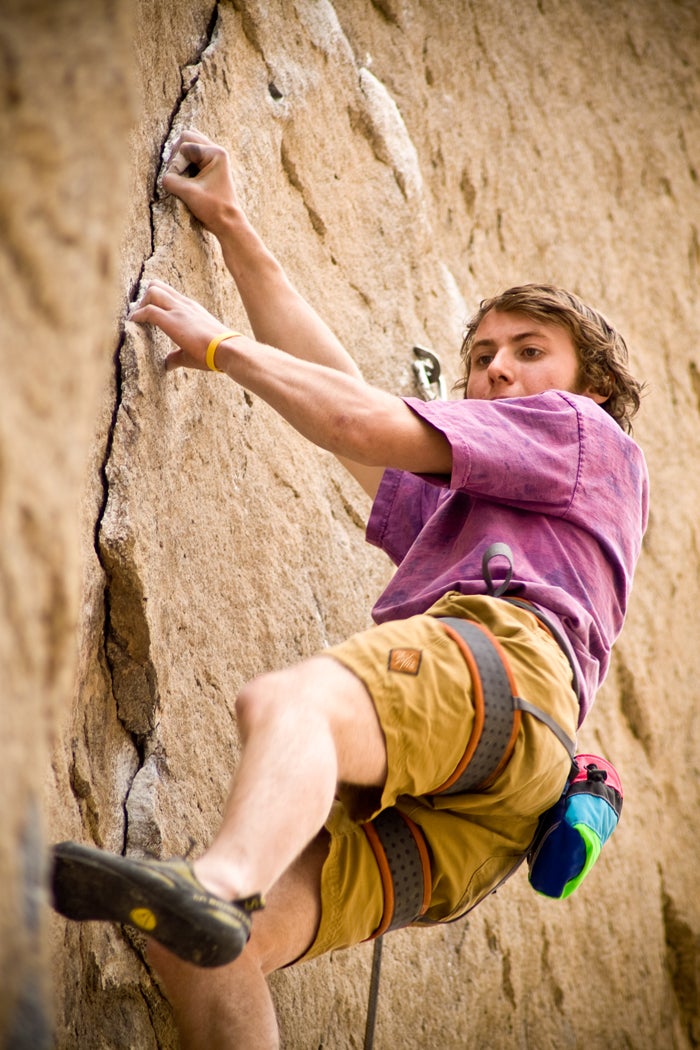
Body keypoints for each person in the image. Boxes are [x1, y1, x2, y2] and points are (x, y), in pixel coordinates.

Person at [51, 130, 648, 1049]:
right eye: (483, 354)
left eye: (529, 350)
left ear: (594, 389)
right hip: (496, 812)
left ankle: (217, 879)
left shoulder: (576, 430)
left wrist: (221, 349)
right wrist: (234, 227)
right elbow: (344, 402)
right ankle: (213, 908)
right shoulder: (486, 500)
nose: (496, 369)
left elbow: (364, 420)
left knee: (293, 706)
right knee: (210, 951)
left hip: (507, 672)